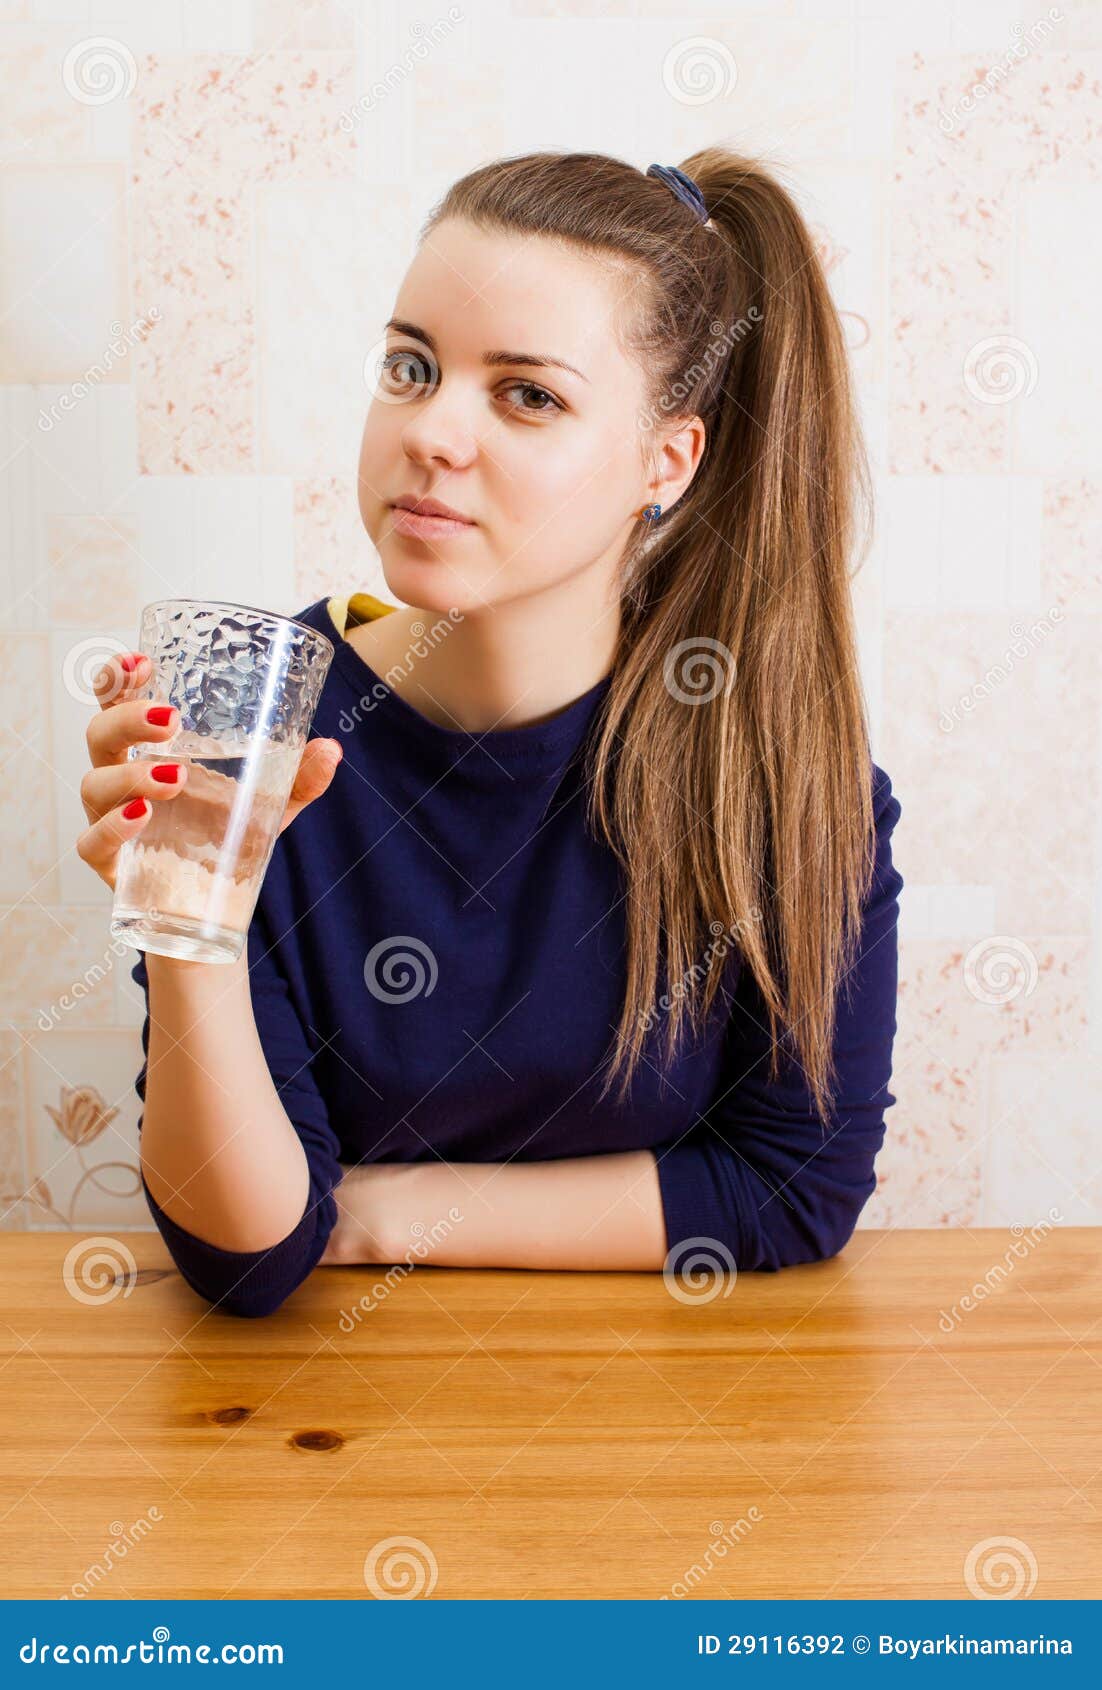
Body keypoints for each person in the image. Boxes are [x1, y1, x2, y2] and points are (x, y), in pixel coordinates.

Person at [77, 148, 904, 1319]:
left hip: (663, 1438)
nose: (433, 433)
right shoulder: (252, 736)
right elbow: (251, 1257)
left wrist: (374, 1214)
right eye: (411, 367)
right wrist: (185, 915)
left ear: (663, 464)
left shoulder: (774, 784)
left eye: (528, 394)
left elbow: (791, 1188)